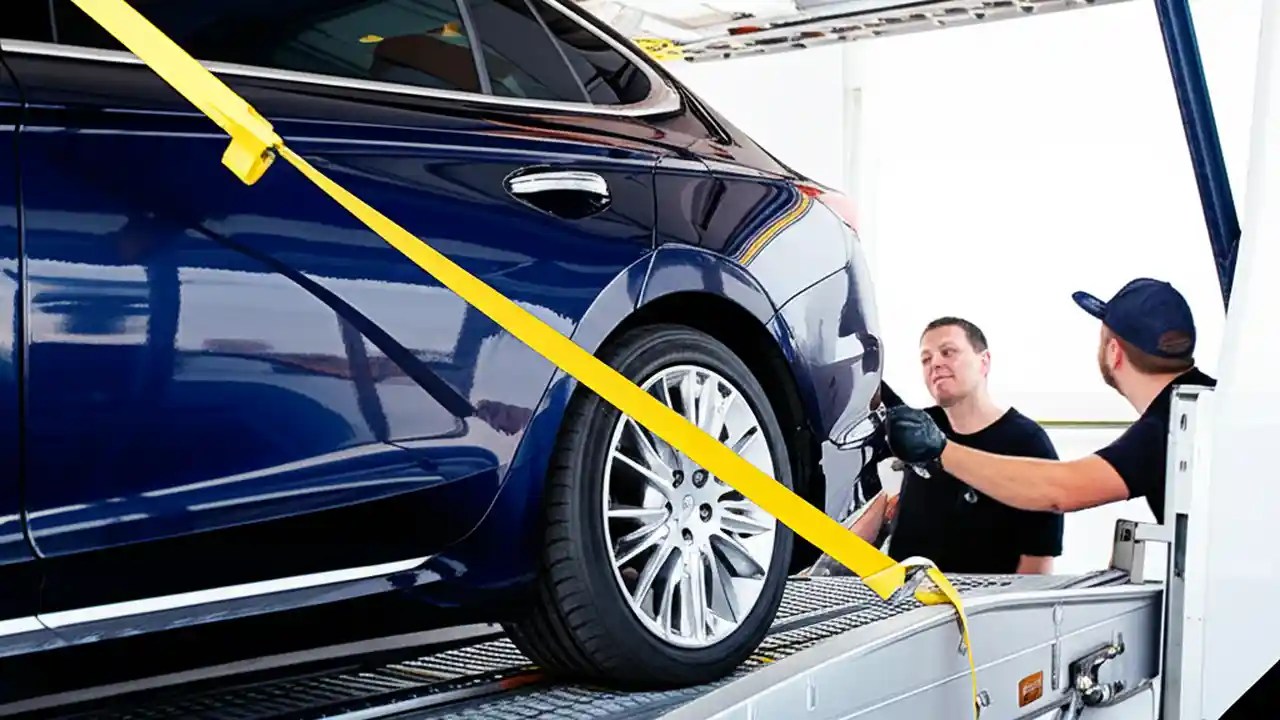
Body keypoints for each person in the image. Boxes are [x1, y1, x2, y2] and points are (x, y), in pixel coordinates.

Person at [884, 278, 1216, 525]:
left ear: (1114, 352)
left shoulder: (1175, 425)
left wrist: (940, 450)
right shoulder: (1208, 402)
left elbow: (1062, 489)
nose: (936, 364)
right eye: (926, 358)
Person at [810, 316, 1064, 576]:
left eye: (948, 352)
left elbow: (1037, 564)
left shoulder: (1027, 443)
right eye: (926, 359)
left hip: (974, 599)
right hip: (902, 595)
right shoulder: (918, 428)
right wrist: (823, 571)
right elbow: (886, 502)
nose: (936, 363)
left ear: (984, 361)